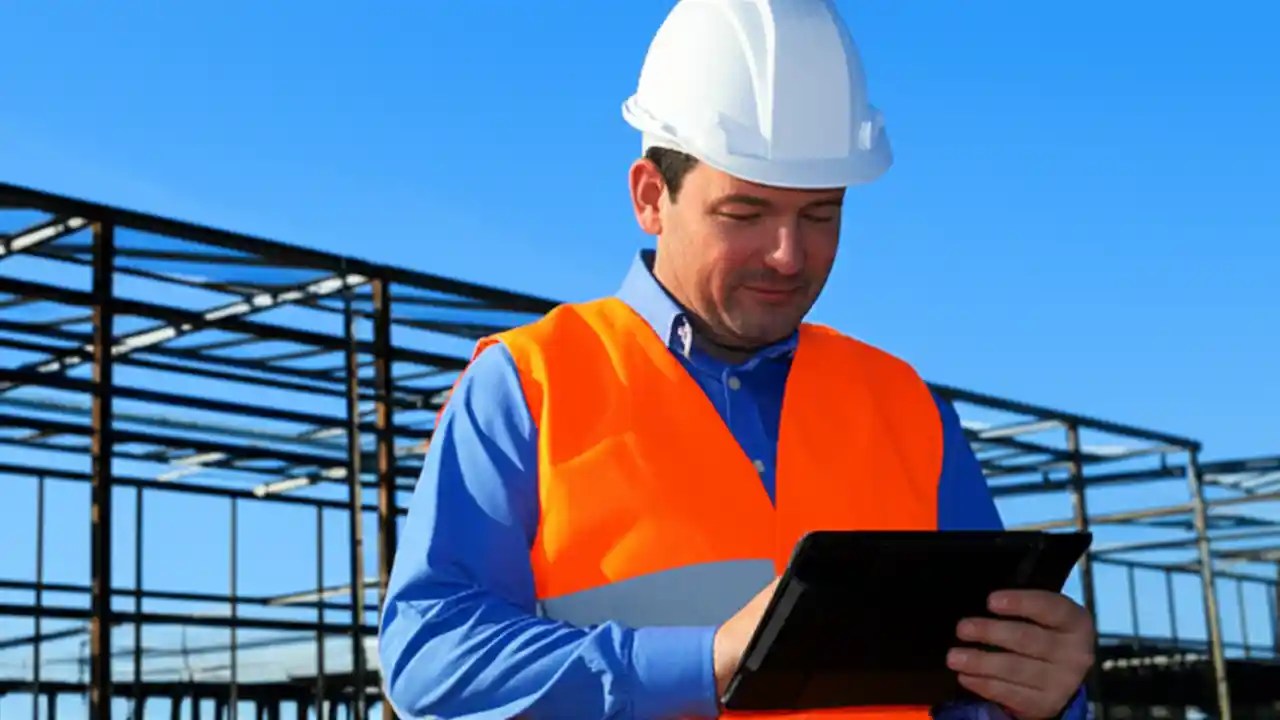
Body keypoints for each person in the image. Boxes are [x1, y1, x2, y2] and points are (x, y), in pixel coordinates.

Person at [378, 1, 1097, 718]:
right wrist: (705, 661)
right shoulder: (528, 387)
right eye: (745, 214)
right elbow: (431, 660)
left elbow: (969, 685)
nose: (789, 255)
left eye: (821, 214)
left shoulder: (906, 406)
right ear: (652, 197)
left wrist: (1044, 694)